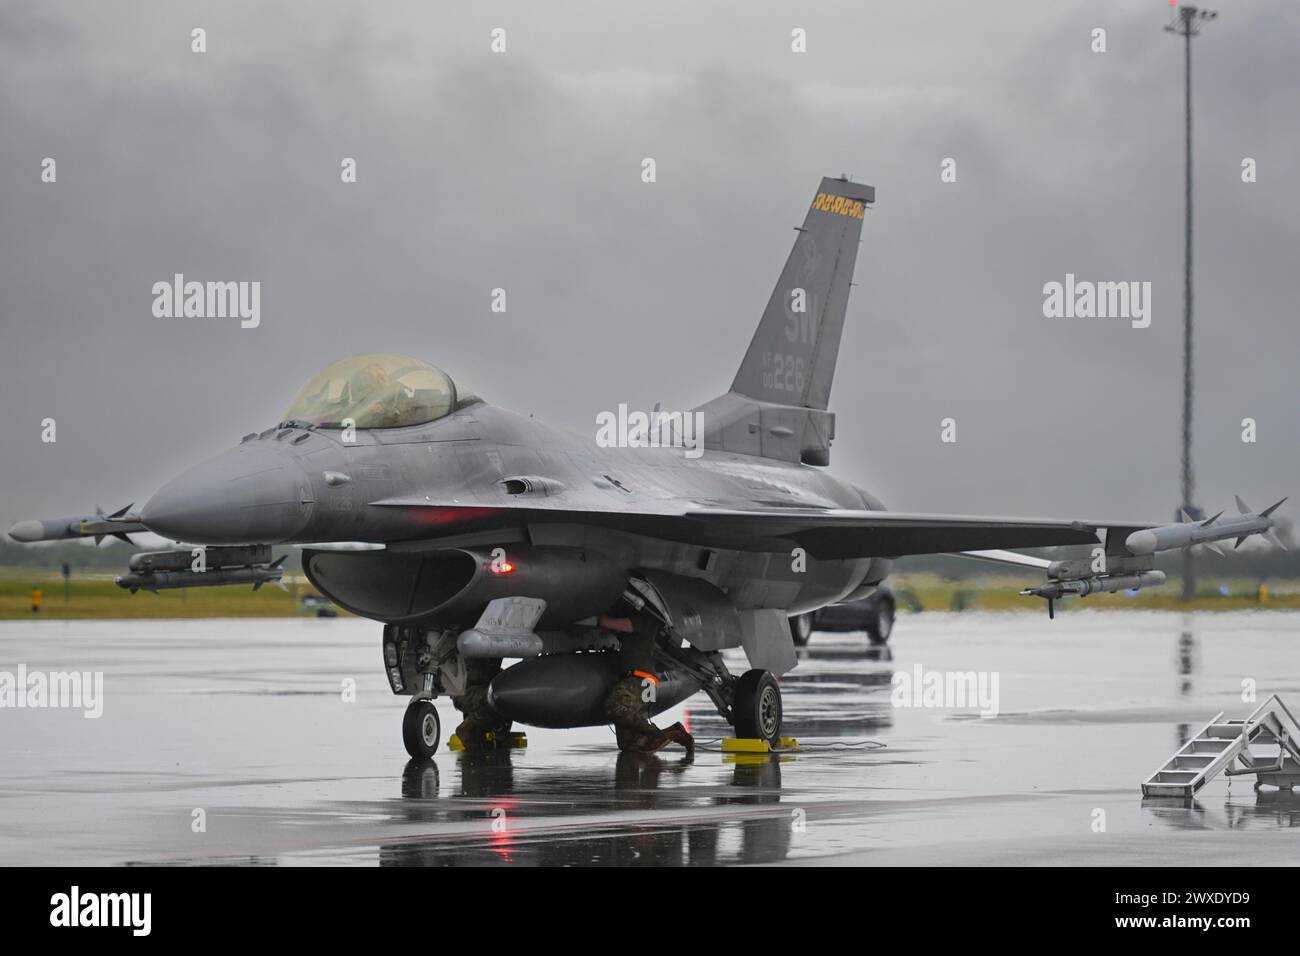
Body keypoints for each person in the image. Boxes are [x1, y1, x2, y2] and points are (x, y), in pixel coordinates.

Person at [598, 608, 694, 756]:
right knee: (629, 743)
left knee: (614, 706)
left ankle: (654, 733)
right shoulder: (641, 621)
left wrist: (598, 615)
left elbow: (610, 623)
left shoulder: (645, 619)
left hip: (639, 680)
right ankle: (673, 732)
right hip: (644, 682)